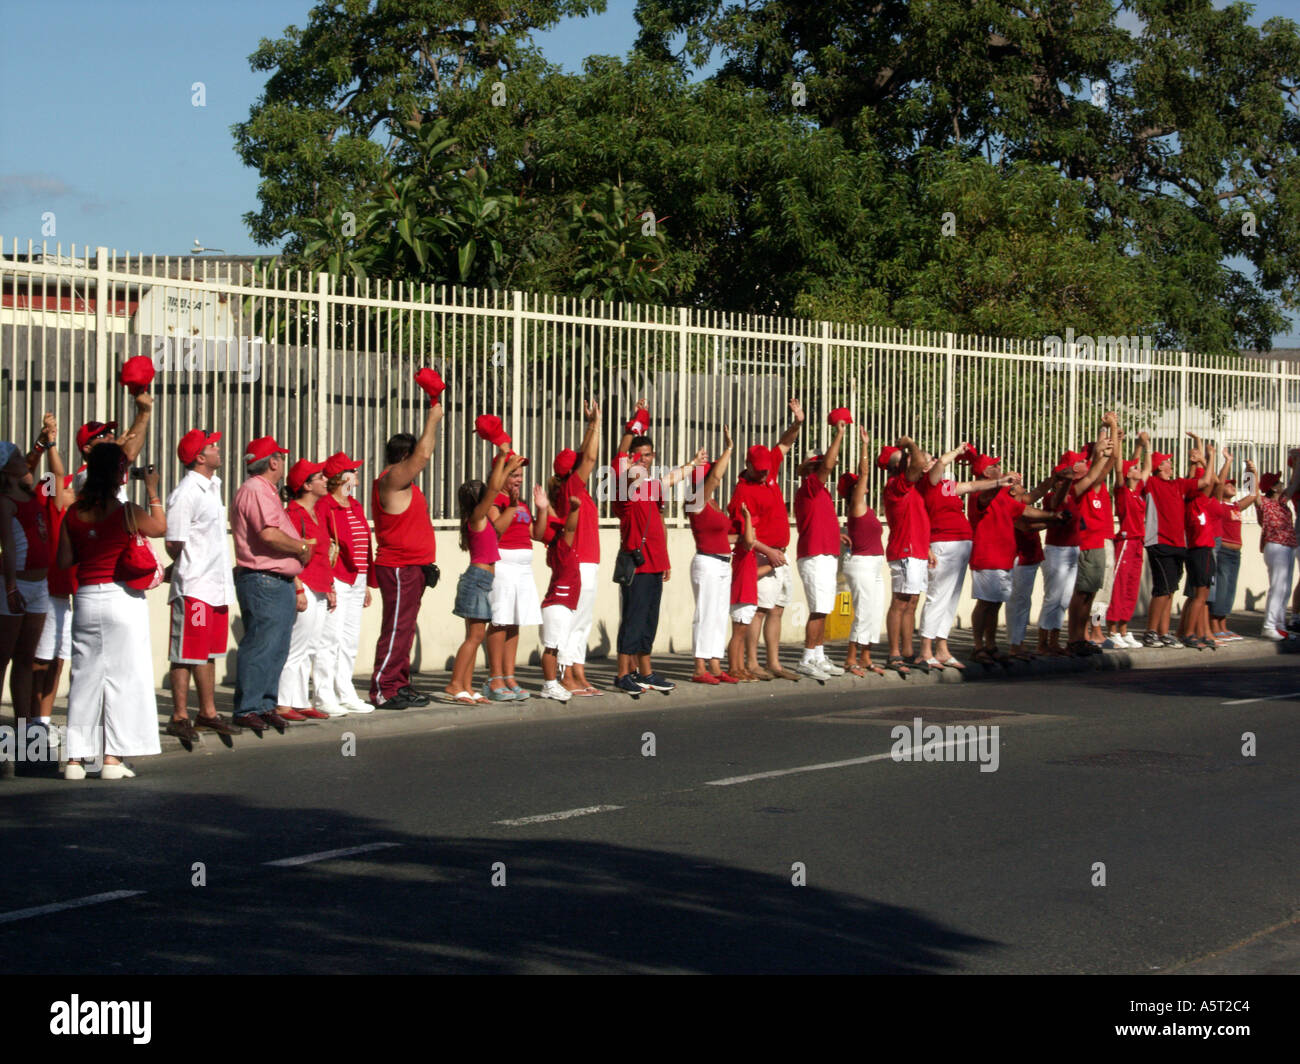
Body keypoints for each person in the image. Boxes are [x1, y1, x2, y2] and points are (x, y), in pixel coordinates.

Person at [57, 443, 164, 779]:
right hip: (121, 598)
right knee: (124, 678)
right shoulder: (128, 511)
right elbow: (160, 527)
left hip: (86, 598)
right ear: (118, 475)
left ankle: (75, 758)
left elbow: (62, 561)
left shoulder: (73, 513)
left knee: (85, 678)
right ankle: (112, 759)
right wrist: (152, 490)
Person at [612, 401, 703, 695]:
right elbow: (620, 457)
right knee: (633, 619)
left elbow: (671, 479)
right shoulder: (624, 490)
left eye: (650, 455)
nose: (648, 460)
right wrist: (633, 427)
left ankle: (645, 672)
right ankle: (623, 674)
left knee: (649, 620)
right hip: (637, 564)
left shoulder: (650, 488)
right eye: (643, 456)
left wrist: (694, 464)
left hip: (654, 563)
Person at [370, 372, 444, 709]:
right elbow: (424, 455)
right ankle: (383, 688)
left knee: (405, 629)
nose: (420, 462)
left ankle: (398, 684)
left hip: (412, 567)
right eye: (413, 456)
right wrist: (433, 413)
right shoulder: (391, 479)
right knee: (397, 629)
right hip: (397, 567)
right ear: (404, 457)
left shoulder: (406, 485)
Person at [231, 436, 313, 732]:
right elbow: (269, 534)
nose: (283, 462)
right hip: (265, 580)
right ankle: (249, 706)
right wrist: (301, 547)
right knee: (262, 645)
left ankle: (264, 703)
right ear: (274, 462)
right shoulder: (257, 490)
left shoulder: (264, 490)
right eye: (280, 457)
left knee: (276, 647)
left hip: (276, 581)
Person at [163, 429, 238, 742]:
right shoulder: (186, 492)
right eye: (212, 445)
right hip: (194, 585)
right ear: (199, 457)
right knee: (186, 652)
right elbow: (174, 541)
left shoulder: (213, 486)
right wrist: (183, 567)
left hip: (216, 585)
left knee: (207, 653)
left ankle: (207, 712)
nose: (218, 447)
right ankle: (179, 714)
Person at [727, 398, 805, 681]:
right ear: (748, 465)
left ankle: (774, 662)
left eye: (765, 471)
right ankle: (752, 663)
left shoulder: (768, 469)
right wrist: (768, 552)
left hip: (780, 553)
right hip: (762, 555)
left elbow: (784, 444)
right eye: (759, 471)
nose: (764, 474)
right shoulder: (742, 492)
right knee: (757, 611)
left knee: (777, 609)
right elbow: (742, 537)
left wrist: (797, 422)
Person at [917, 444, 1012, 669]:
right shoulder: (927, 484)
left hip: (961, 544)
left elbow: (970, 485)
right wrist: (958, 451)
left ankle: (942, 647)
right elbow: (941, 464)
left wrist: (1000, 482)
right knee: (937, 597)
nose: (934, 461)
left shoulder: (946, 486)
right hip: (943, 544)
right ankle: (926, 649)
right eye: (929, 460)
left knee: (951, 599)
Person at [446, 452, 526, 704]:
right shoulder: (477, 517)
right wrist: (506, 465)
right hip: (477, 579)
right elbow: (493, 488)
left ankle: (467, 687)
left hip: (483, 581)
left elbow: (501, 526)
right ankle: (455, 685)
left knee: (474, 635)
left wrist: (512, 504)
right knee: (475, 637)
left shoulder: (485, 523)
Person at [968, 474, 1061, 662]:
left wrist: (1053, 513)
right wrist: (1052, 520)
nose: (1023, 486)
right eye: (1018, 484)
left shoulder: (1007, 500)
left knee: (997, 604)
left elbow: (1028, 505)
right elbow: (1025, 521)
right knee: (995, 604)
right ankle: (1005, 645)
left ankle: (993, 645)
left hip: (1007, 559)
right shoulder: (984, 497)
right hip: (994, 558)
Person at [485, 429, 542, 700]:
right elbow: (496, 528)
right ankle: (494, 677)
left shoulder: (520, 502)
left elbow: (536, 534)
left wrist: (541, 508)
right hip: (504, 564)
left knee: (515, 621)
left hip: (523, 566)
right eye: (514, 474)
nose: (518, 479)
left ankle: (509, 675)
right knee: (500, 620)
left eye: (520, 475)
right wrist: (513, 505)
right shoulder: (495, 499)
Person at [0, 441, 50, 746]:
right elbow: (7, 547)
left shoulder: (32, 493)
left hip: (39, 586)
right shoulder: (5, 501)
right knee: (2, 657)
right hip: (15, 585)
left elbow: (48, 474)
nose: (24, 460)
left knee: (25, 659)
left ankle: (22, 726)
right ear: (6, 469)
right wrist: (10, 587)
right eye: (17, 457)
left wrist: (45, 443)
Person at [278, 459, 337, 719]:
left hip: (320, 585)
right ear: (306, 485)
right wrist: (298, 588)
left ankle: (300, 699)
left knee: (310, 646)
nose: (325, 480)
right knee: (296, 646)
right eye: (320, 477)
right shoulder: (293, 513)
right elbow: (288, 553)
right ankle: (283, 701)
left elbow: (323, 553)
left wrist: (331, 586)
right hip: (306, 584)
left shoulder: (317, 511)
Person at [317, 451, 374, 713]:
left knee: (349, 639)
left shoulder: (356, 505)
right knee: (330, 638)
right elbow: (323, 546)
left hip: (357, 578)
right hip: (337, 577)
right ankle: (323, 694)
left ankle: (345, 690)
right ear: (342, 477)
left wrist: (366, 583)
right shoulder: (325, 505)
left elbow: (364, 546)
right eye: (354, 470)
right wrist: (327, 582)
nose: (358, 474)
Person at [1141, 438, 1213, 647]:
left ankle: (1164, 632)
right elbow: (1145, 470)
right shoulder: (1152, 484)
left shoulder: (1179, 484)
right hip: (1159, 542)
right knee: (1162, 588)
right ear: (1157, 467)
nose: (1169, 464)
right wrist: (1147, 447)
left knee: (1170, 589)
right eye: (1165, 462)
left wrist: (1206, 459)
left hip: (1178, 544)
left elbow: (1206, 482)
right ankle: (1150, 631)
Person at [793, 416, 849, 680]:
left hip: (825, 554)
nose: (823, 469)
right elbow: (827, 464)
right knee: (818, 608)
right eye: (816, 466)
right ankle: (807, 657)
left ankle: (817, 654)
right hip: (814, 556)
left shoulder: (820, 491)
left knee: (824, 607)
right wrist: (839, 435)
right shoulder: (809, 486)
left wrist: (836, 533)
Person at [29, 414, 74, 745]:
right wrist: (50, 441)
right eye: (65, 487)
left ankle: (43, 719)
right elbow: (56, 473)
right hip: (49, 594)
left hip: (65, 596)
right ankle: (33, 719)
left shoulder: (64, 513)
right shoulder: (54, 508)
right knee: (41, 661)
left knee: (58, 659)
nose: (70, 489)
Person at [553, 401, 602, 696]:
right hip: (577, 562)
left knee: (583, 620)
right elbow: (591, 457)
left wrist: (590, 426)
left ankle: (578, 671)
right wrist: (596, 423)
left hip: (589, 562)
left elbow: (586, 454)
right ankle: (565, 672)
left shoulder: (575, 486)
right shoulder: (570, 488)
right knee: (571, 620)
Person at [1063, 414, 1120, 656]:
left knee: (1092, 593)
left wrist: (1111, 429)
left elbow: (1109, 462)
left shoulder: (1095, 484)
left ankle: (1083, 635)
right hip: (1085, 544)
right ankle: (1075, 636)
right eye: (1083, 461)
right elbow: (1100, 465)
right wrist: (1103, 444)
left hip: (1097, 543)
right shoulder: (1077, 487)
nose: (1087, 462)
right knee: (1081, 593)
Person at [687, 427, 738, 684]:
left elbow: (724, 536)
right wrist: (729, 447)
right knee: (705, 613)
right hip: (706, 562)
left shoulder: (713, 504)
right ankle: (699, 666)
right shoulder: (696, 500)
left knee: (718, 614)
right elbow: (716, 477)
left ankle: (715, 664)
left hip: (722, 562)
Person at [879, 437, 929, 677]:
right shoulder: (896, 485)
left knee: (911, 603)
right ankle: (894, 653)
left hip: (917, 550)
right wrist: (910, 443)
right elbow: (919, 463)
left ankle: (908, 651)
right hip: (905, 551)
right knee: (900, 602)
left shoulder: (910, 486)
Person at [839, 427, 885, 677]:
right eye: (859, 481)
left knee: (875, 609)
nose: (864, 482)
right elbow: (866, 471)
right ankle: (850, 658)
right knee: (864, 609)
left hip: (874, 564)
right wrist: (865, 445)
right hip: (862, 564)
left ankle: (866, 656)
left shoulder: (864, 508)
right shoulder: (856, 503)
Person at [534, 484, 581, 702]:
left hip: (562, 604)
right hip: (558, 605)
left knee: (556, 647)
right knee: (551, 648)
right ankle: (550, 684)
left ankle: (554, 682)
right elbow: (570, 528)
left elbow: (560, 526)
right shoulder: (562, 547)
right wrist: (574, 510)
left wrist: (547, 507)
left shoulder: (555, 546)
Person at [1177, 438, 1219, 649]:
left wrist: (1199, 457)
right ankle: (1189, 633)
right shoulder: (1194, 500)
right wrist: (1206, 458)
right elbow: (1207, 481)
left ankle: (1191, 632)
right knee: (1199, 595)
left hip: (1203, 548)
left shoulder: (1200, 500)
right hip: (1198, 549)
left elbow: (1212, 482)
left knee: (1200, 595)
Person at [1209, 467, 1256, 641]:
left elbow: (1252, 495)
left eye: (1234, 485)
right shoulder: (1220, 504)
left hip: (1236, 553)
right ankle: (1215, 625)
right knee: (1220, 588)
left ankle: (1223, 625)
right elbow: (1218, 486)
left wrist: (1253, 473)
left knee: (1229, 589)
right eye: (1230, 485)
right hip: (1224, 551)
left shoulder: (1236, 506)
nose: (1233, 487)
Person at [1254, 467, 1296, 640]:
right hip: (1275, 545)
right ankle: (1269, 626)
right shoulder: (1264, 502)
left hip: (1289, 546)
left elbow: (1294, 484)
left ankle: (1279, 624)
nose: (1282, 484)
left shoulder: (1283, 502)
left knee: (1285, 589)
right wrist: (1252, 473)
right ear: (1272, 488)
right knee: (1277, 587)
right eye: (1278, 482)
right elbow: (1252, 493)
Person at [727, 501, 763, 681]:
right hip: (741, 595)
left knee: (741, 634)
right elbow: (749, 540)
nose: (755, 532)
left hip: (747, 595)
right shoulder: (744, 547)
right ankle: (734, 667)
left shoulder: (748, 553)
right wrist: (747, 517)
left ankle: (740, 667)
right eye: (752, 528)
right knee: (738, 634)